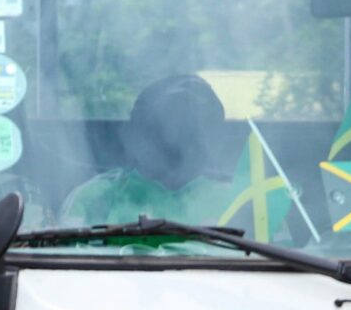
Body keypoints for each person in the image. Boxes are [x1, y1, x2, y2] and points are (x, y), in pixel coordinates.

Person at [59, 73, 239, 226]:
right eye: (161, 125)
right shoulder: (93, 199)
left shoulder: (239, 203)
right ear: (134, 132)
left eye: (189, 126)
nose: (175, 138)